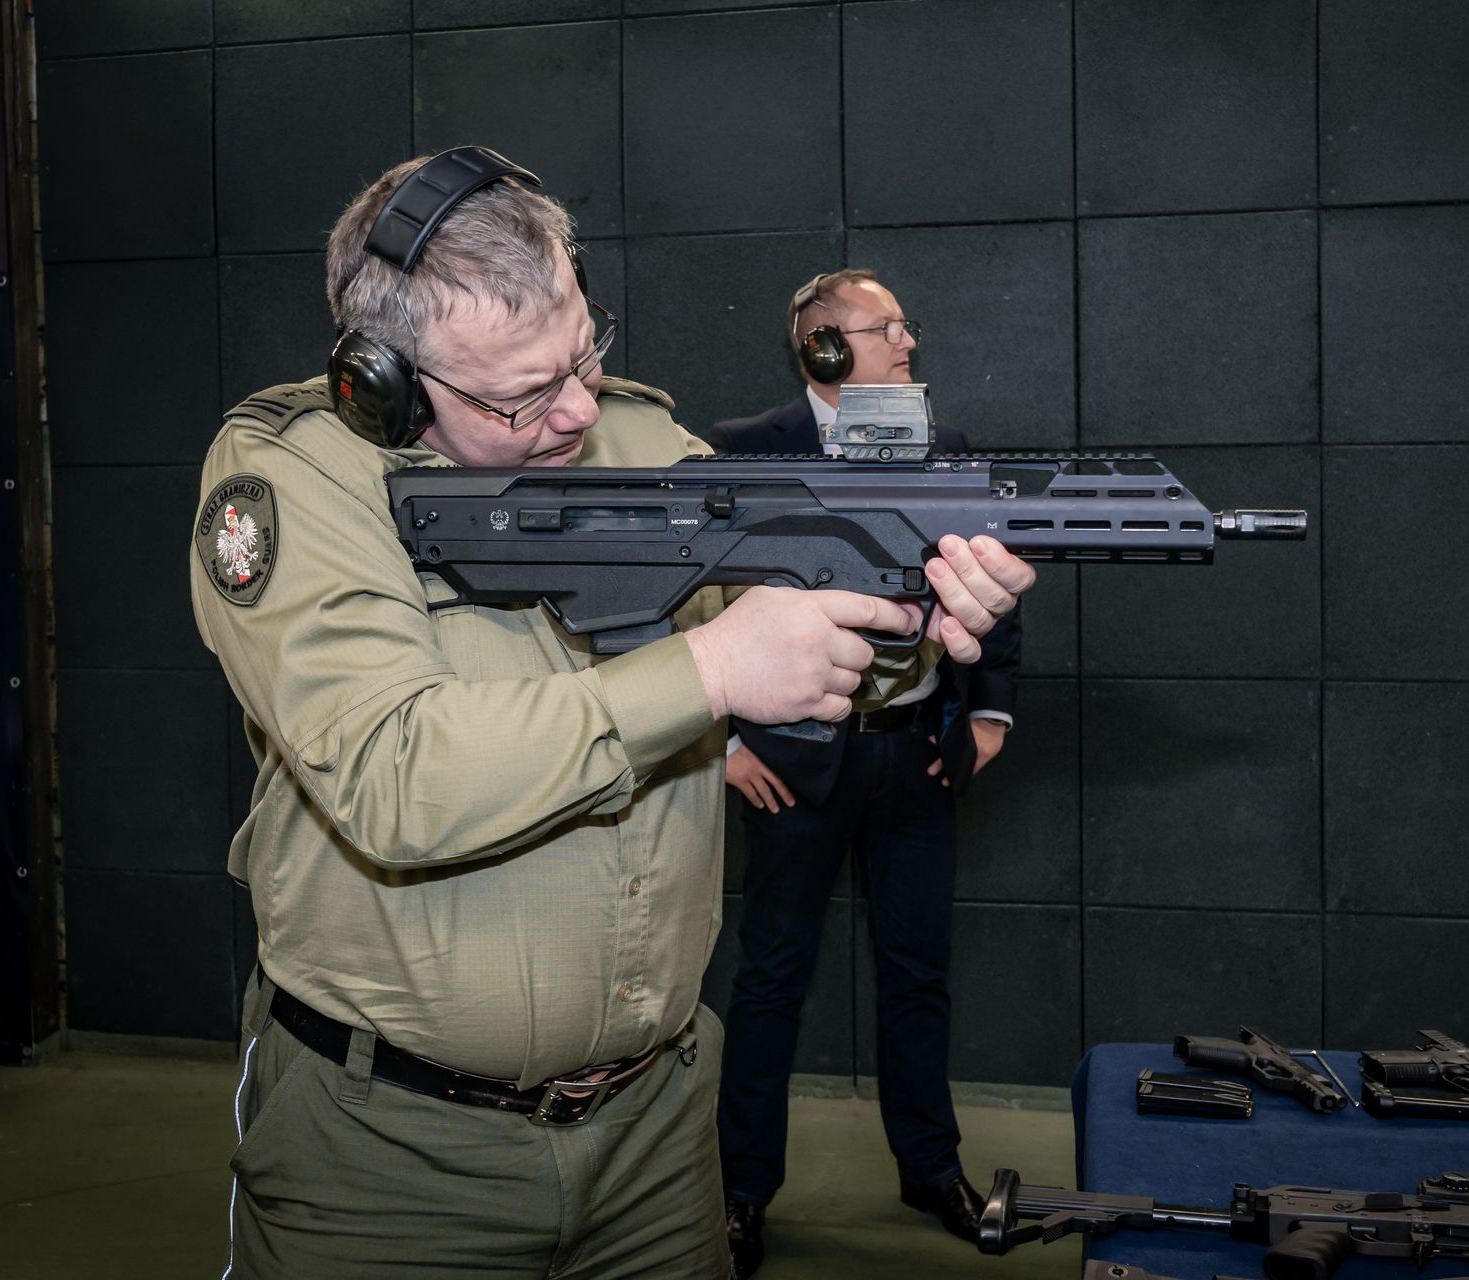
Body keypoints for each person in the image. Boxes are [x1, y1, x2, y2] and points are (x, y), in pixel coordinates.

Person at [188, 150, 1034, 1280]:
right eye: (525, 393)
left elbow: (804, 645)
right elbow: (395, 776)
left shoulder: (640, 441)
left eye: (586, 350)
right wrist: (712, 672)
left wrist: (900, 617)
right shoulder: (294, 480)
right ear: (382, 379)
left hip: (655, 1134)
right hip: (391, 1152)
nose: (579, 407)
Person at [702, 269, 1022, 1277]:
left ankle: (929, 1167)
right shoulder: (740, 449)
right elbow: (685, 603)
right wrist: (723, 743)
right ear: (822, 347)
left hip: (918, 755)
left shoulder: (949, 448)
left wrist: (988, 712)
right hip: (792, 764)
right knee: (771, 978)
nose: (907, 342)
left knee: (919, 974)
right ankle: (741, 1190)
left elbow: (993, 585)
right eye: (885, 328)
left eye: (905, 325)